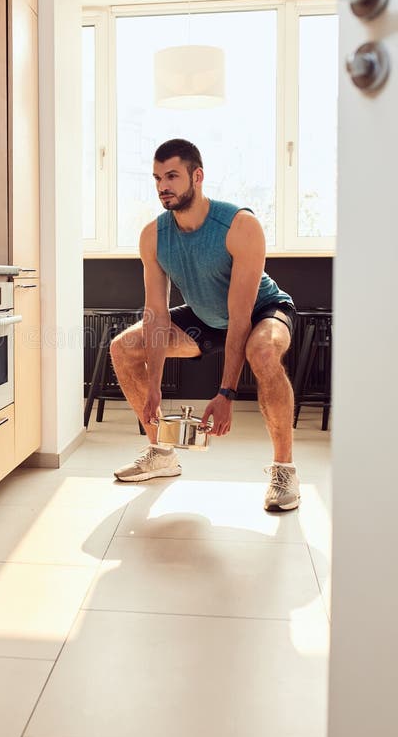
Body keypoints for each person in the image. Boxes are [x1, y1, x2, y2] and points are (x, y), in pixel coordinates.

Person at [110, 138, 300, 511]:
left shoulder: (239, 226)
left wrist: (226, 394)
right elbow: (157, 315)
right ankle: (160, 451)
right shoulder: (154, 235)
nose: (163, 186)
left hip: (262, 310)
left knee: (260, 352)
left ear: (197, 176)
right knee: (123, 347)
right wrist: (153, 388)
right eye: (157, 178)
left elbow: (241, 317)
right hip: (204, 315)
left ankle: (284, 469)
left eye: (172, 176)